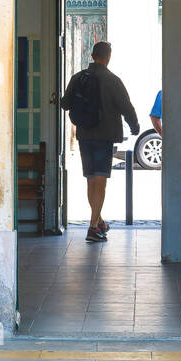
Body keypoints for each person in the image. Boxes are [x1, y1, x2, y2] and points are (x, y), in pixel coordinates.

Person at [61, 41, 138, 243]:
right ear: (108, 56)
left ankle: (99, 220)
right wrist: (134, 125)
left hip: (84, 135)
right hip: (105, 136)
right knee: (100, 182)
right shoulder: (112, 80)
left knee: (90, 180)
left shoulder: (78, 78)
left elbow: (65, 103)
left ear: (92, 55)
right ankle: (93, 228)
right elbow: (126, 106)